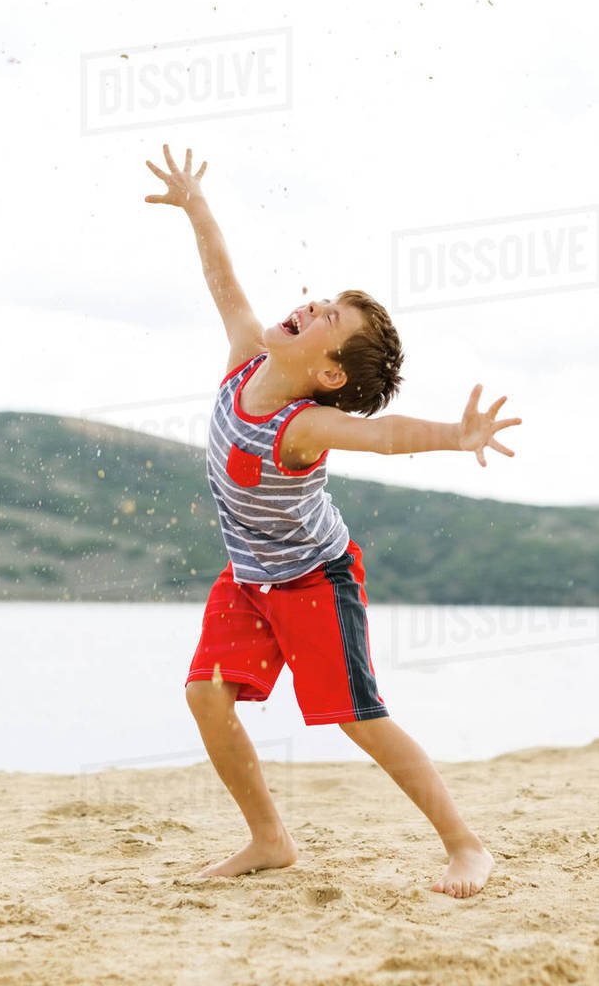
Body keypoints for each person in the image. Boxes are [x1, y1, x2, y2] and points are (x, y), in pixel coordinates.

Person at [144, 145, 522, 899]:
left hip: (315, 579)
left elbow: (383, 435)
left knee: (357, 716)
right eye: (321, 300)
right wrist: (197, 205)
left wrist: (457, 434)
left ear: (329, 374)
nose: (313, 304)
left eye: (331, 317)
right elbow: (224, 281)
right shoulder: (247, 355)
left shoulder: (306, 423)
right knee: (205, 693)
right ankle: (269, 838)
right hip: (249, 575)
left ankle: (466, 845)